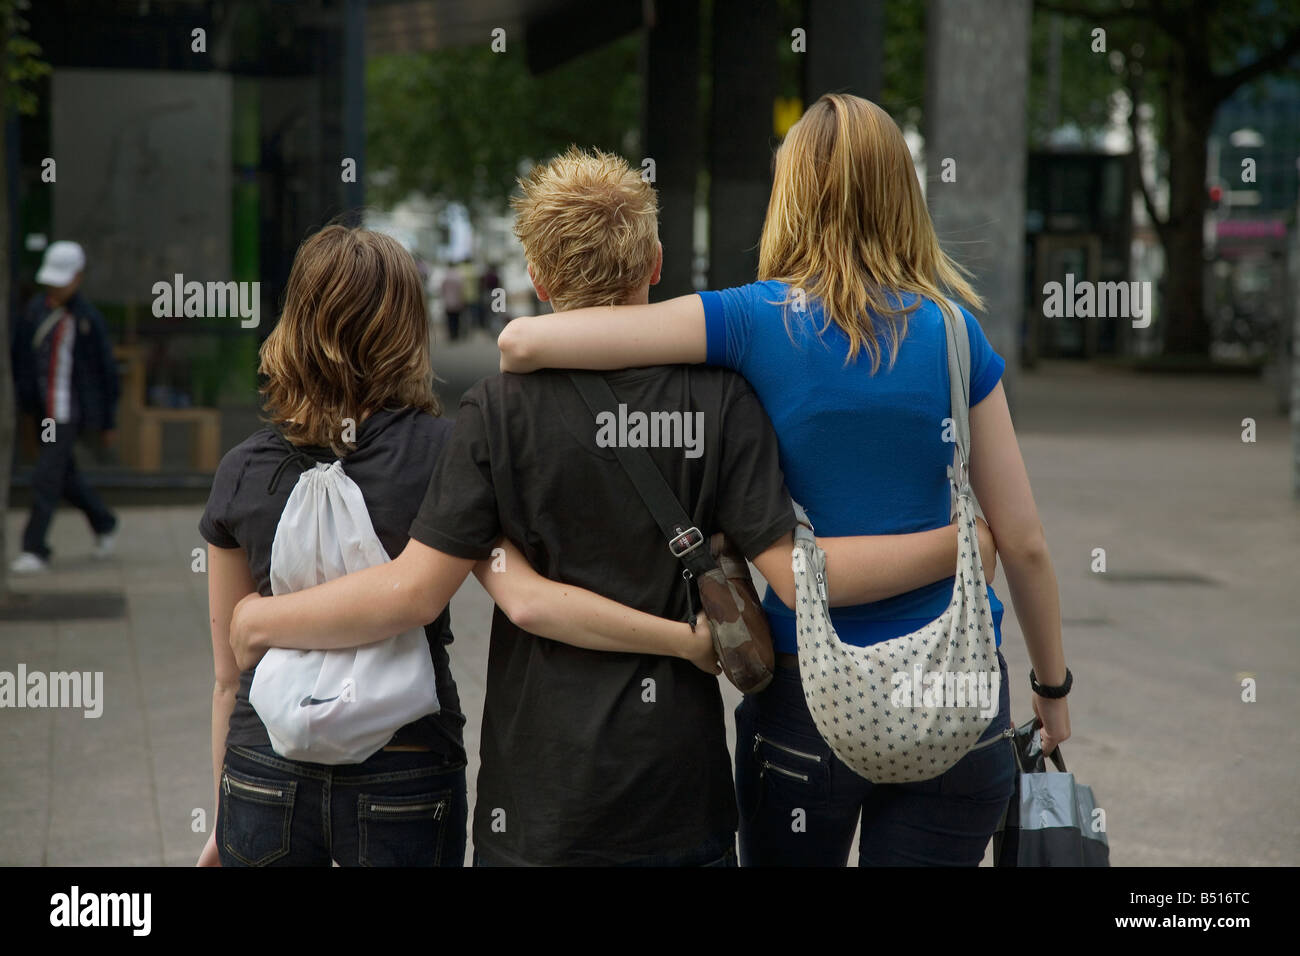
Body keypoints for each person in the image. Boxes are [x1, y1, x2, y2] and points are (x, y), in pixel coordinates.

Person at [229, 147, 994, 867]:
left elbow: (495, 597)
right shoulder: (724, 399)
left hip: (537, 799)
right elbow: (787, 561)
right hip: (678, 792)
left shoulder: (495, 413)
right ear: (655, 264)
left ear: (536, 273)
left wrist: (258, 621)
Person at [497, 97, 1073, 867]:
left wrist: (521, 330)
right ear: (904, 193)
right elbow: (1026, 544)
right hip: (956, 695)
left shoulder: (753, 320)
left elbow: (526, 342)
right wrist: (1052, 689)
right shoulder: (955, 333)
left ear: (790, 196)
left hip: (811, 703)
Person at [197, 225, 673, 867]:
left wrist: (224, 816)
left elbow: (230, 677)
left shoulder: (239, 471)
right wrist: (678, 639)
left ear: (296, 325)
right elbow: (526, 599)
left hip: (264, 766)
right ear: (406, 330)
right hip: (405, 761)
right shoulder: (447, 452)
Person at [10, 240, 120, 574]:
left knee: (46, 477)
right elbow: (22, 361)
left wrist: (107, 421)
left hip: (68, 413)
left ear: (77, 277)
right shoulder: (35, 312)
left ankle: (35, 548)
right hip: (44, 411)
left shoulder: (87, 319)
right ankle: (104, 523)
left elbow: (105, 372)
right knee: (65, 478)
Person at [440, 263, 465, 341]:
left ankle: (451, 335)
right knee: (456, 319)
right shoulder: (458, 277)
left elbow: (442, 290)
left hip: (448, 302)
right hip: (457, 301)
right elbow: (461, 290)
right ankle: (456, 334)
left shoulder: (445, 277)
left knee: (449, 319)